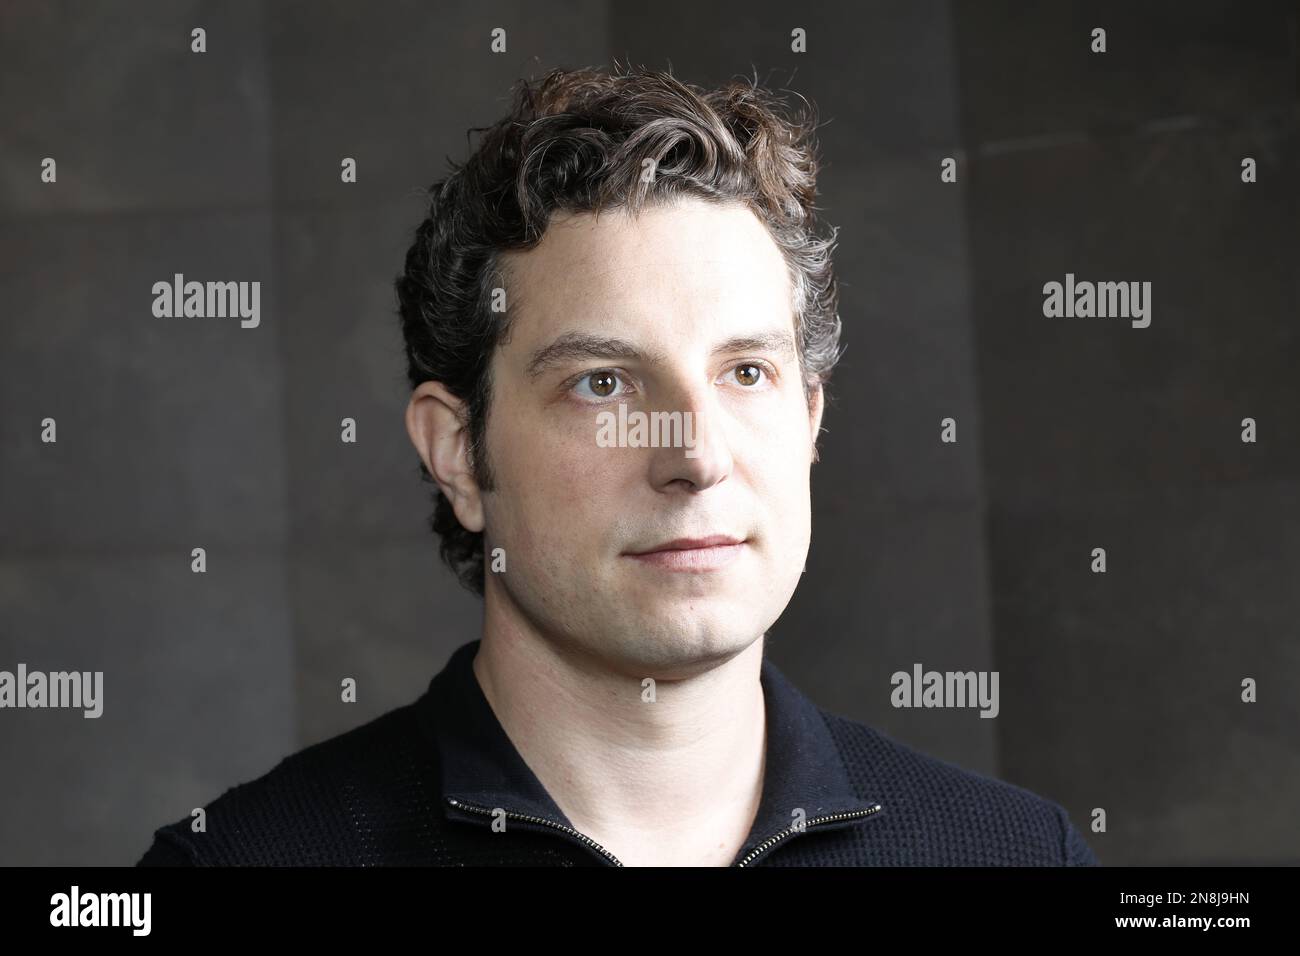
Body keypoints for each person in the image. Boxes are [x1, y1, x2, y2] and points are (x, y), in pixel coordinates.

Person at [137, 64, 1098, 867]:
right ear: (458, 454)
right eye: (603, 385)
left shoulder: (1019, 856)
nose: (695, 455)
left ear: (810, 420)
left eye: (747, 371)